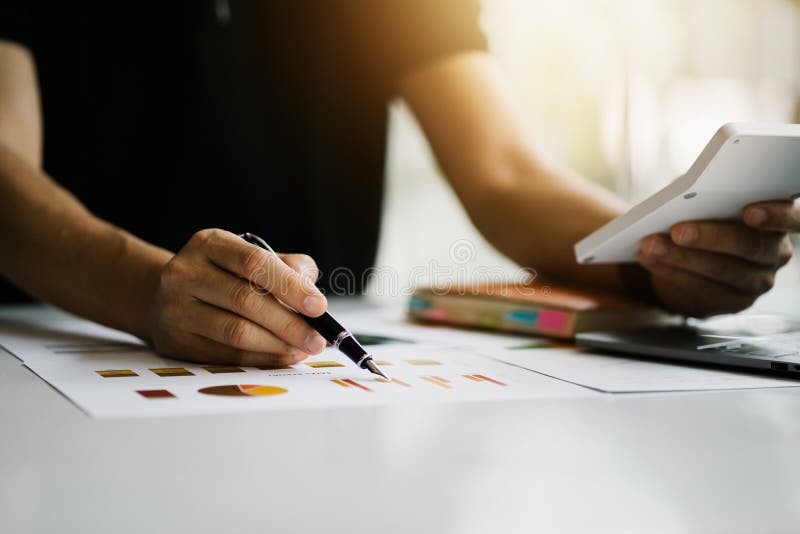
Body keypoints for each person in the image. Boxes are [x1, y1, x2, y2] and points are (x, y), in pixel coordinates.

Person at [0, 1, 796, 367]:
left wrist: (657, 251)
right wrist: (149, 292)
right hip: (52, 355)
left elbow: (506, 173)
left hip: (307, 373)